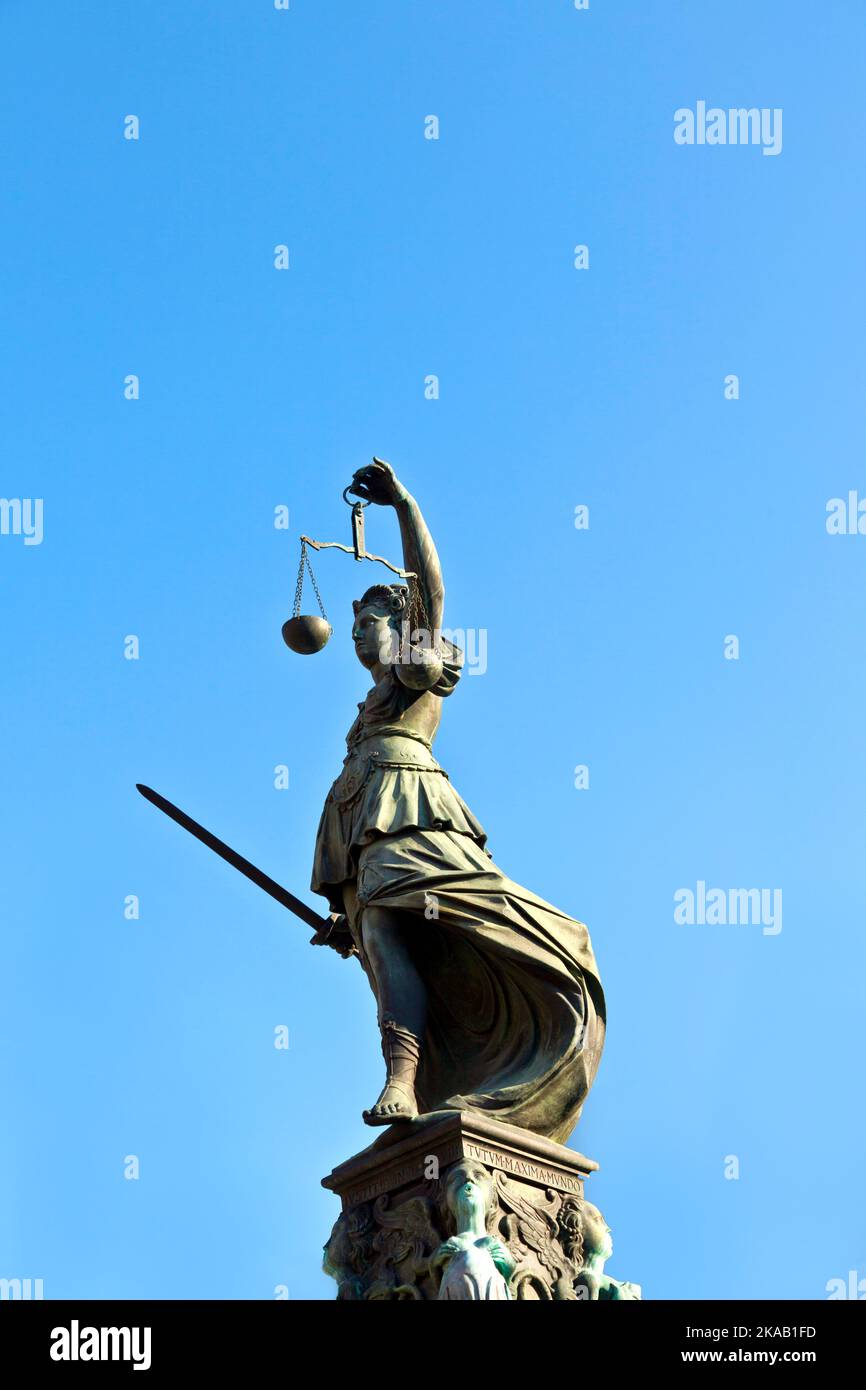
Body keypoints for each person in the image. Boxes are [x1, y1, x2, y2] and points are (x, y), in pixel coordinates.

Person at [309, 459, 605, 1142]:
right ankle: (404, 1081)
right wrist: (345, 917)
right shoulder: (364, 710)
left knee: (397, 922)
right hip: (361, 822)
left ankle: (403, 1079)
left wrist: (403, 505)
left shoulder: (420, 666)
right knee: (381, 935)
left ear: (399, 624)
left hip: (411, 810)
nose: (356, 636)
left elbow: (429, 589)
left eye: (367, 625)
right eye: (352, 628)